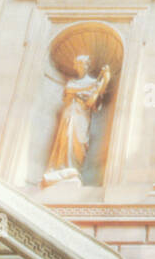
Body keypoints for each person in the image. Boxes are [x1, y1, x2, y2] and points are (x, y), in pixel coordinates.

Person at [42, 54, 110, 185]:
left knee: (78, 141)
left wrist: (104, 81)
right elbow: (69, 89)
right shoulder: (74, 82)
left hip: (82, 115)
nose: (79, 67)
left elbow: (92, 101)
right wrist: (92, 86)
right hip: (70, 112)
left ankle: (74, 168)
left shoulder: (93, 82)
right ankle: (62, 167)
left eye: (81, 64)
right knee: (66, 138)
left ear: (87, 66)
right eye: (77, 65)